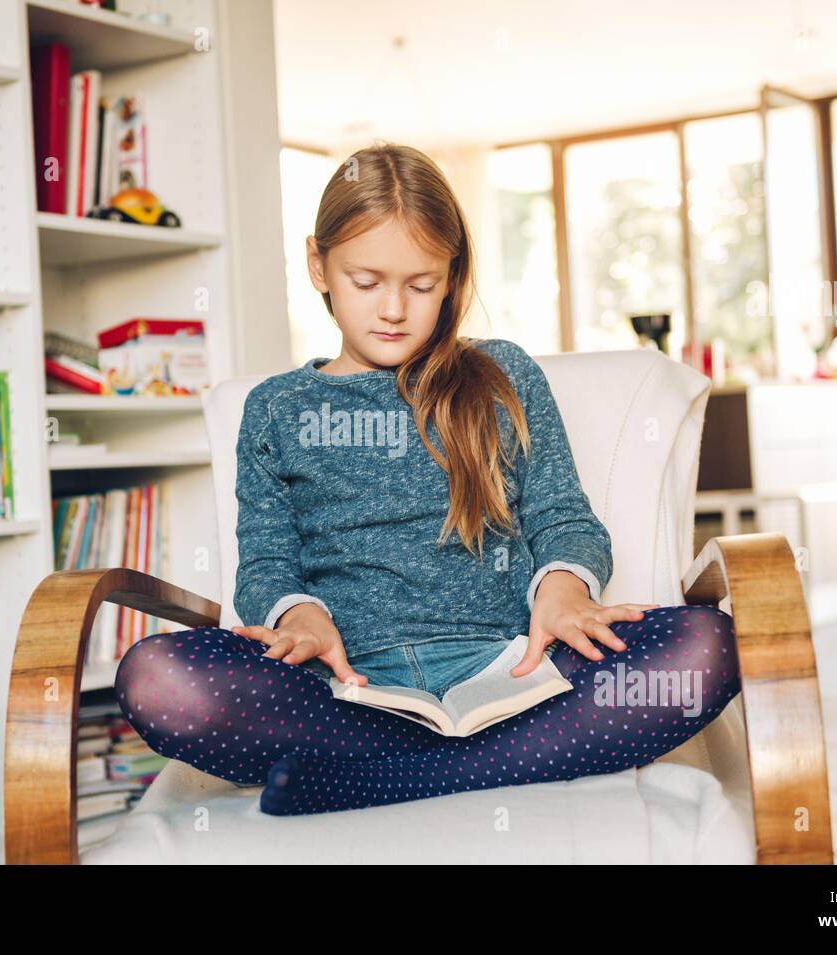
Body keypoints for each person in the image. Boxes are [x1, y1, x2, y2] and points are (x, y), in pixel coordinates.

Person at [114, 142, 740, 816]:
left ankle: (384, 779)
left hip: (513, 674)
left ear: (452, 276)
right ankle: (458, 765)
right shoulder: (274, 408)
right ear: (318, 265)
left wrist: (563, 588)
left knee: (703, 649)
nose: (393, 309)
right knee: (156, 676)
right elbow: (264, 563)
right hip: (344, 690)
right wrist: (299, 614)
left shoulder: (504, 375)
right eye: (366, 281)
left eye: (421, 284)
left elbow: (564, 516)